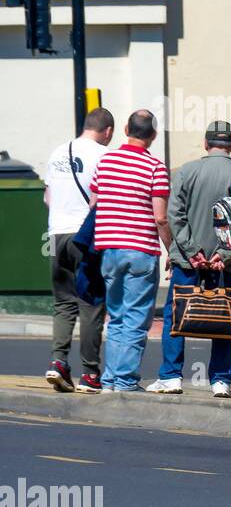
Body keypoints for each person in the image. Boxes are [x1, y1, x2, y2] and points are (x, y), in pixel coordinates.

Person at [146, 121, 231, 398]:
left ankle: (171, 376)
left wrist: (192, 251)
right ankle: (221, 380)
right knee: (226, 316)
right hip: (226, 262)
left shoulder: (187, 171)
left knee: (176, 315)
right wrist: (222, 254)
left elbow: (174, 216)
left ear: (205, 143)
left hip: (188, 261)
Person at [89, 109, 172, 393]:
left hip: (109, 248)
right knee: (137, 319)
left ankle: (111, 379)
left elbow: (94, 203)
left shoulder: (106, 161)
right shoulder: (155, 168)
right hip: (140, 249)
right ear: (154, 135)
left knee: (117, 317)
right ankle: (125, 380)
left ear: (125, 129)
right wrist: (171, 249)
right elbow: (160, 217)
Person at [44, 107, 113, 393]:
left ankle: (58, 362)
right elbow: (103, 200)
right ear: (107, 131)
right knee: (91, 304)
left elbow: (48, 198)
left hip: (56, 234)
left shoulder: (59, 152)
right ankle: (90, 374)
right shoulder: (104, 156)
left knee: (63, 303)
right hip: (85, 236)